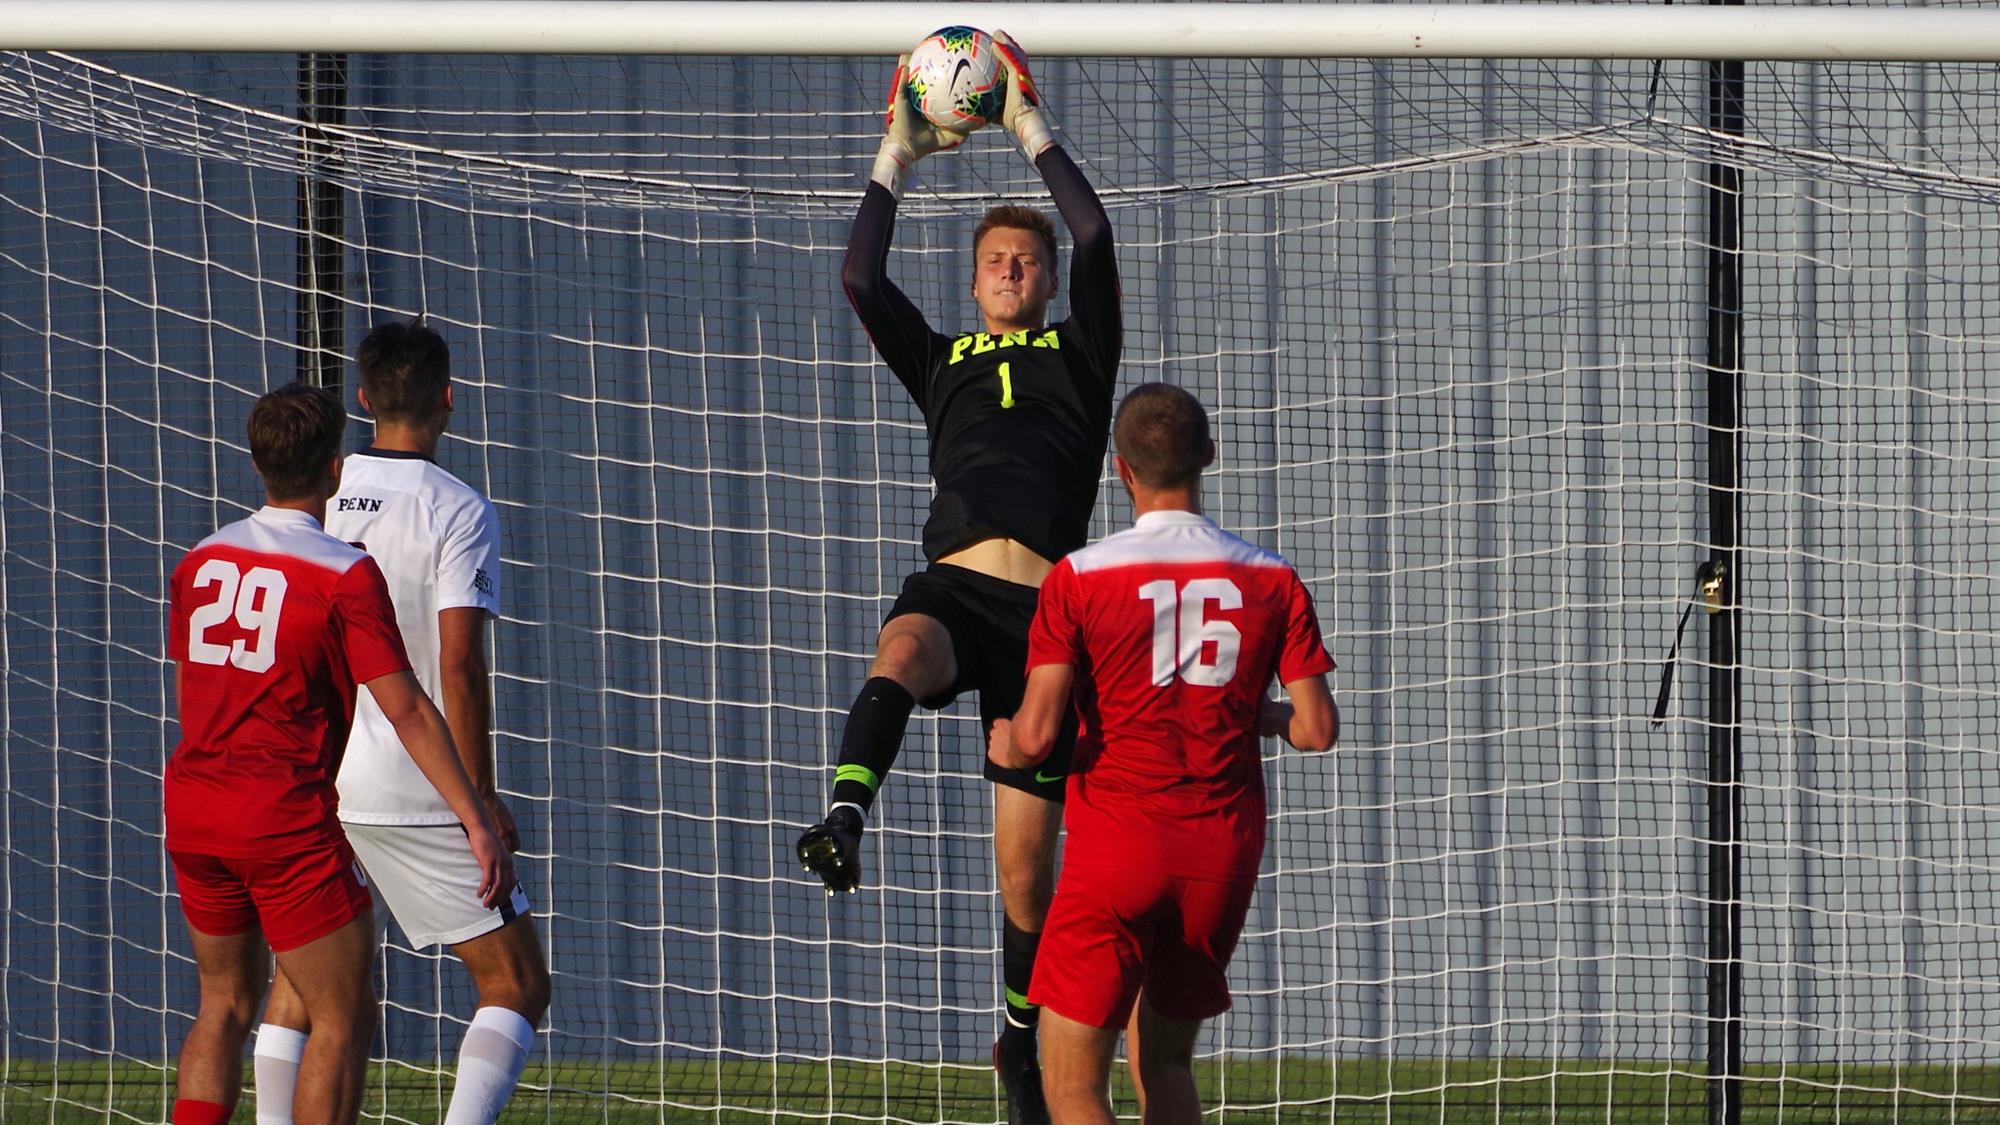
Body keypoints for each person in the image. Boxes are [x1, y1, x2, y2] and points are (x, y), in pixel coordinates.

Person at [793, 32, 1121, 1123]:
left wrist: (1028, 127)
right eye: (994, 261)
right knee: (897, 647)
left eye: (1023, 261)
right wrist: (894, 155)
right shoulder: (938, 361)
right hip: (954, 587)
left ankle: (1018, 1044)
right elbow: (855, 276)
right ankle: (844, 818)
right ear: (974, 279)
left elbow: (1091, 230)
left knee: (1024, 878)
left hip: (1047, 616)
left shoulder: (1079, 353)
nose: (1013, 269)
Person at [987, 383, 1338, 1125]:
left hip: (1117, 847)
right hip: (1218, 853)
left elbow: (1040, 733)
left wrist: (1009, 741)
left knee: (1073, 1084)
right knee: (1168, 1063)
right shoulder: (1273, 578)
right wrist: (1264, 716)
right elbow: (1316, 729)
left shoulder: (1077, 577)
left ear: (1122, 469)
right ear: (1208, 456)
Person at [165, 381, 509, 1125]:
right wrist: (475, 815)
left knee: (221, 1003)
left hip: (194, 807)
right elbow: (409, 707)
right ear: (334, 468)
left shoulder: (197, 561)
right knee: (343, 1015)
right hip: (280, 816)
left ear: (258, 465)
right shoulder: (345, 573)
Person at [255, 321, 550, 1125]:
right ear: (448, 399)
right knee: (517, 982)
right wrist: (479, 798)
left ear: (363, 399)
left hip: (316, 778)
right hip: (411, 778)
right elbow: (456, 665)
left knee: (301, 986)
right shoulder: (458, 509)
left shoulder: (314, 490)